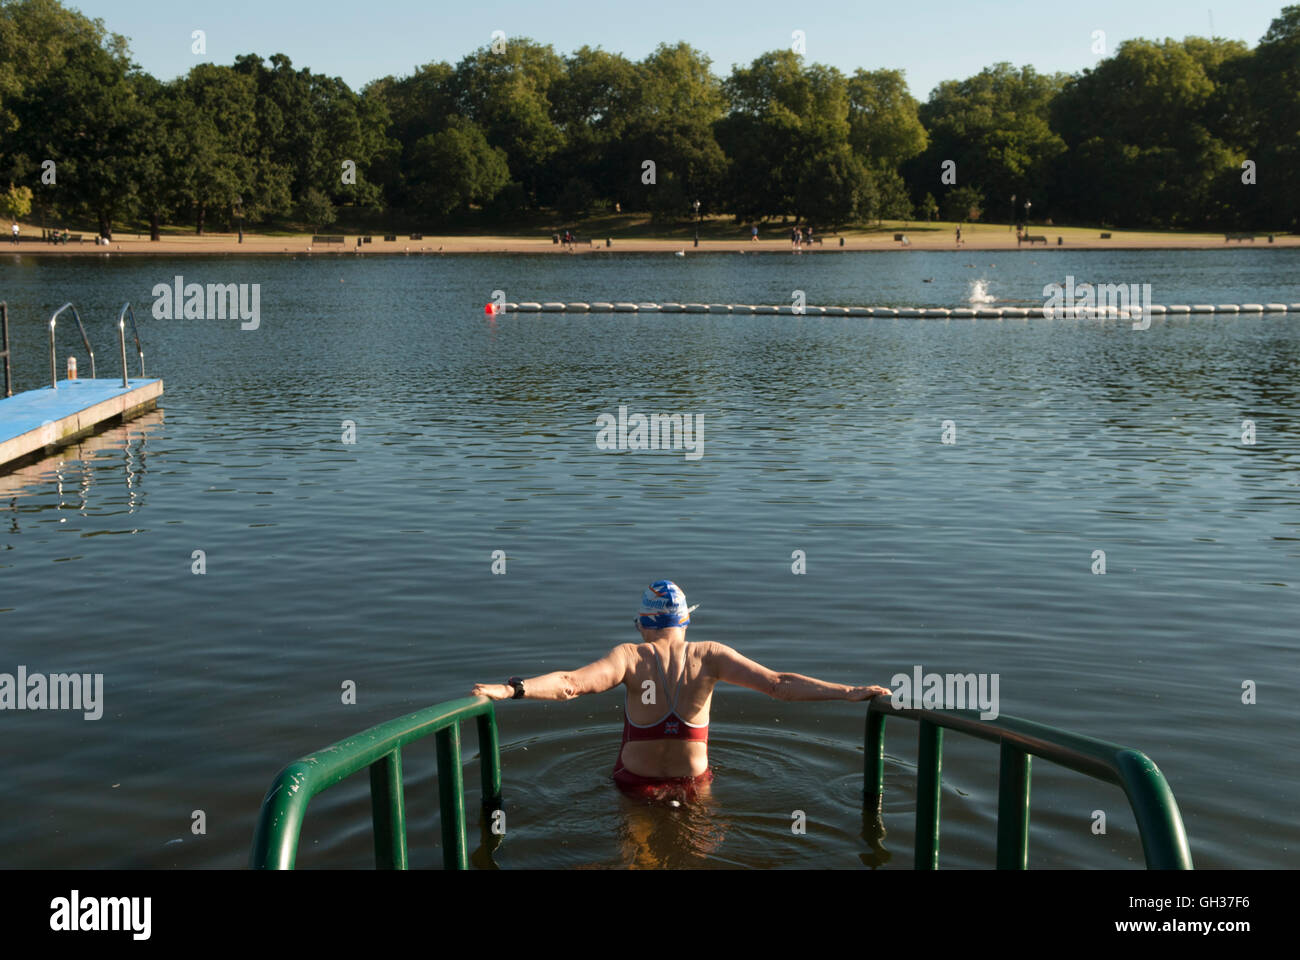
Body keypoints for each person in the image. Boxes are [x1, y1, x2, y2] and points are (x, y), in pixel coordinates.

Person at [470, 580, 891, 803]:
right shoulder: (710, 655)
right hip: (695, 785)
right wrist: (849, 691)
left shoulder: (629, 657)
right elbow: (779, 685)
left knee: (637, 857)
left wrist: (513, 690)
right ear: (685, 621)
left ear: (642, 623)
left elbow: (569, 685)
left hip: (635, 785)